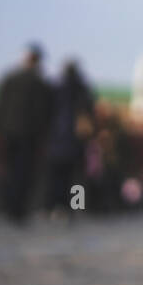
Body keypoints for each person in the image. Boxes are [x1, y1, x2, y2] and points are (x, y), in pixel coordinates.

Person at [0, 44, 53, 223]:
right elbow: (47, 112)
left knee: (12, 170)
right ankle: (18, 208)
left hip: (11, 132)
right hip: (29, 135)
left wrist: (2, 127)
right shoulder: (40, 83)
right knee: (24, 172)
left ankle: (10, 207)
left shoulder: (11, 78)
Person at [45, 60, 95, 214]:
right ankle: (76, 206)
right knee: (75, 177)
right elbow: (89, 114)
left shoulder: (57, 89)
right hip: (76, 140)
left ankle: (54, 206)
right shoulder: (83, 90)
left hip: (57, 138)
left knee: (56, 176)